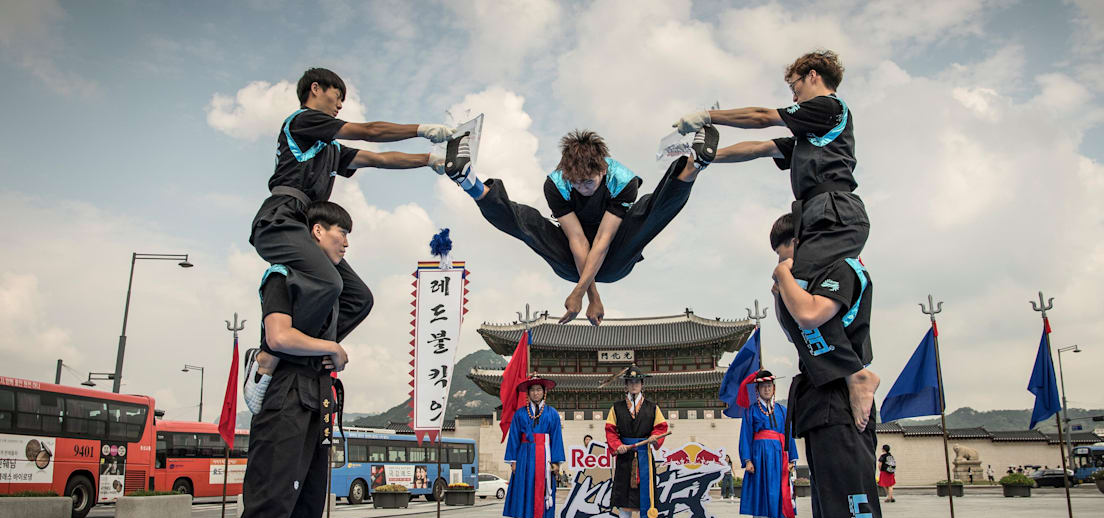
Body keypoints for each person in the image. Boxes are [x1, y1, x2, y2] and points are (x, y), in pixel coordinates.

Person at [672, 50, 879, 434]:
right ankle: (849, 370)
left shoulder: (829, 107)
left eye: (794, 86)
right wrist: (706, 159)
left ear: (812, 76)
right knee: (788, 297)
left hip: (835, 212)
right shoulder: (809, 137)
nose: (794, 96)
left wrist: (708, 116)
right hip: (816, 217)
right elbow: (759, 147)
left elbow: (762, 118)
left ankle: (856, 372)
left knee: (800, 298)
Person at [242, 67, 454, 413]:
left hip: (307, 225)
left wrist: (430, 161)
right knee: (327, 281)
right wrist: (422, 130)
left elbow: (378, 159)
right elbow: (370, 132)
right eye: (337, 95)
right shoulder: (303, 122)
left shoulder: (330, 148)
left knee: (358, 297)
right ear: (315, 89)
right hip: (281, 220)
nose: (341, 103)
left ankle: (306, 349)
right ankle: (267, 355)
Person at [216, 201, 356, 518]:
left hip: (316, 397)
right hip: (284, 397)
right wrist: (331, 348)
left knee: (307, 508)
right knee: (268, 509)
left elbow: (360, 299)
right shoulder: (281, 275)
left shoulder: (326, 291)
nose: (347, 242)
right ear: (315, 231)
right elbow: (278, 335)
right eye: (340, 233)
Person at [443, 128, 719, 325]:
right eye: (575, 182)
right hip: (571, 260)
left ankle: (695, 163)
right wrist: (589, 296)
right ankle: (469, 181)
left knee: (648, 213)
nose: (581, 188)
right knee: (528, 224)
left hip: (613, 256)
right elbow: (577, 239)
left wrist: (579, 293)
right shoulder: (556, 184)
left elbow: (602, 241)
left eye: (588, 182)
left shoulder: (623, 181)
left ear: (602, 170)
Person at [769, 212, 893, 518]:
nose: (788, 264)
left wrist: (784, 276)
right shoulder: (805, 279)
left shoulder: (843, 267)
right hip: (818, 398)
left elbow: (811, 315)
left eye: (788, 253)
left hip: (842, 399)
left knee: (855, 516)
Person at [604, 365, 669, 518]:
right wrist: (618, 446)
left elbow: (661, 428)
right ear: (625, 385)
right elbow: (610, 430)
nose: (634, 385)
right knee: (623, 495)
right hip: (625, 455)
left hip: (644, 456)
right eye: (630, 382)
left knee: (645, 494)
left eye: (637, 382)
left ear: (642, 384)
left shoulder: (652, 408)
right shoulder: (616, 408)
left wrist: (655, 438)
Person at [502, 376, 566, 518]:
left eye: (539, 390)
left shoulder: (552, 413)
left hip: (545, 456)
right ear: (528, 393)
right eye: (532, 390)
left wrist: (556, 462)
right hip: (525, 456)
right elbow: (514, 437)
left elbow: (556, 438)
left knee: (547, 491)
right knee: (523, 492)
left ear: (544, 393)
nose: (536, 393)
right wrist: (513, 461)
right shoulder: (520, 414)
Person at [738, 370, 799, 518]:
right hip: (759, 456)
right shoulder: (751, 411)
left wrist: (792, 459)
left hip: (780, 456)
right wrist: (748, 460)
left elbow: (789, 435)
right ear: (757, 389)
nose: (767, 389)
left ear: (774, 388)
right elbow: (745, 436)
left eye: (769, 386)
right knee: (760, 491)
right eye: (763, 386)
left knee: (781, 492)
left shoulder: (782, 410)